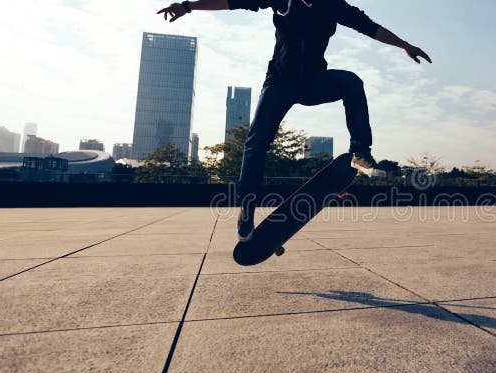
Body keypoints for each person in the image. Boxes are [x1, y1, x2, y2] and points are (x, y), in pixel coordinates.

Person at [158, 0, 432, 240]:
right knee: (256, 143)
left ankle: (360, 153)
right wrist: (188, 6)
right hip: (280, 83)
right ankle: (247, 208)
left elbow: (369, 26)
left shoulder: (332, 4)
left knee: (352, 83)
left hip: (314, 82)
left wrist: (404, 45)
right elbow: (232, 1)